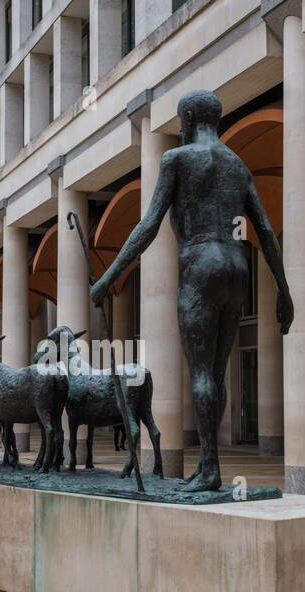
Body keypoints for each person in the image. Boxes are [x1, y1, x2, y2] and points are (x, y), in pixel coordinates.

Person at [91, 89, 294, 492]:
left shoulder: (177, 159)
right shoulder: (237, 166)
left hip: (200, 262)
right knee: (215, 376)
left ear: (186, 118)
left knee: (201, 374)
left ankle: (210, 468)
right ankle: (207, 464)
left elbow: (148, 225)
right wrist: (283, 291)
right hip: (238, 265)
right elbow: (267, 232)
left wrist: (107, 277)